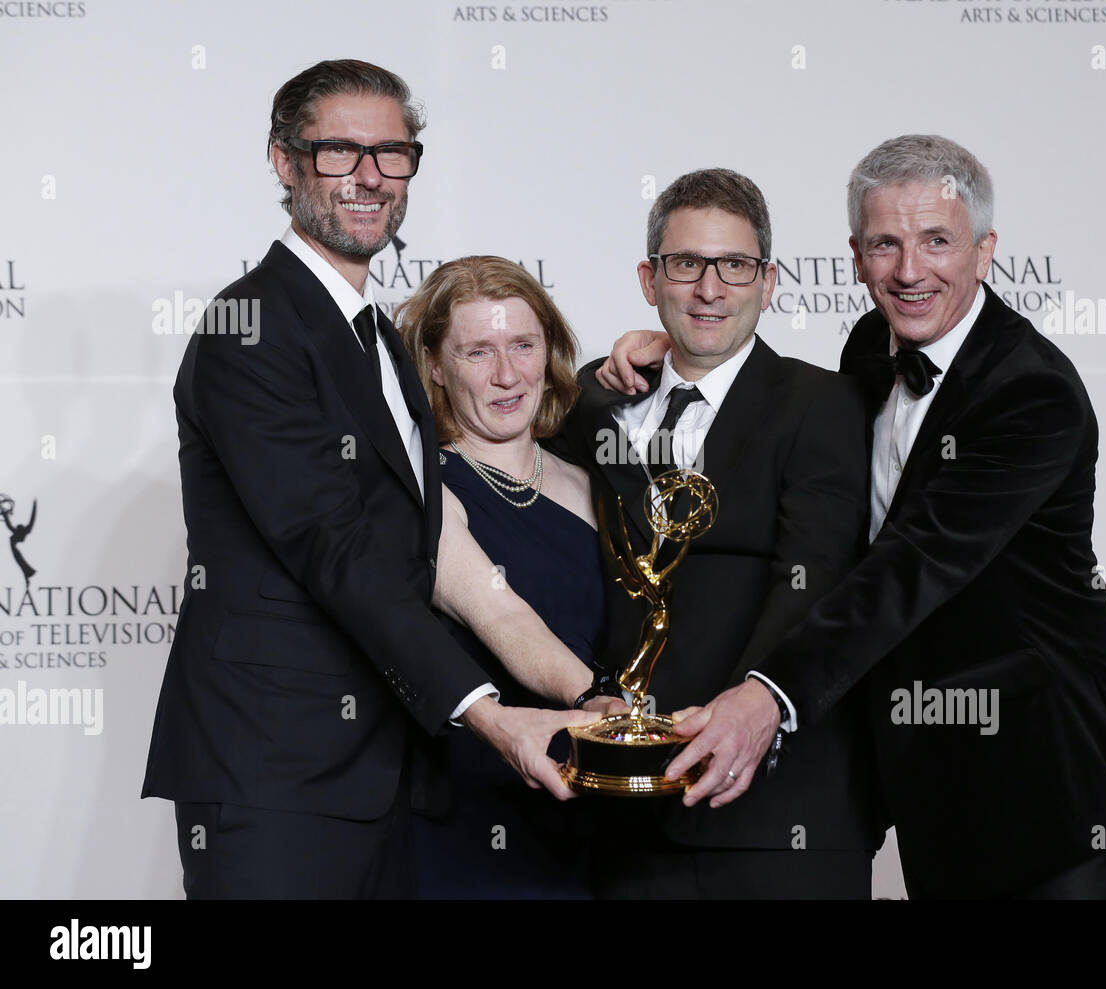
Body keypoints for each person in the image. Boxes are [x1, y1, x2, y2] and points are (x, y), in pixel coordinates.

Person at [630, 135, 1106, 899]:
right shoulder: (873, 345)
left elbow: (912, 566)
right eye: (886, 244)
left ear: (984, 251)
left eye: (937, 241)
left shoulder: (1032, 393)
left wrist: (766, 693)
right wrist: (672, 356)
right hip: (926, 777)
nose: (910, 271)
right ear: (855, 254)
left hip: (1048, 781)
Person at [141, 60, 594, 899]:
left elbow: (433, 553)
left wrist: (596, 699)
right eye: (340, 152)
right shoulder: (253, 327)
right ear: (283, 162)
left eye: (392, 153)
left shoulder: (379, 339)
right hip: (274, 774)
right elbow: (333, 544)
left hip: (386, 776)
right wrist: (490, 714)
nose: (371, 176)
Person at [563, 168, 878, 899]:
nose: (710, 288)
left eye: (735, 265)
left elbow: (819, 575)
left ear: (768, 283)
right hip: (624, 814)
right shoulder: (591, 401)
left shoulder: (822, 403)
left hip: (775, 816)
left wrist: (750, 708)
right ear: (651, 279)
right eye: (686, 264)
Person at [396, 255, 612, 898]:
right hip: (476, 813)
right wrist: (605, 705)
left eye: (523, 344)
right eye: (477, 352)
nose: (507, 374)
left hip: (594, 809)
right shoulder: (424, 488)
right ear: (435, 365)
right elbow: (500, 613)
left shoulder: (597, 481)